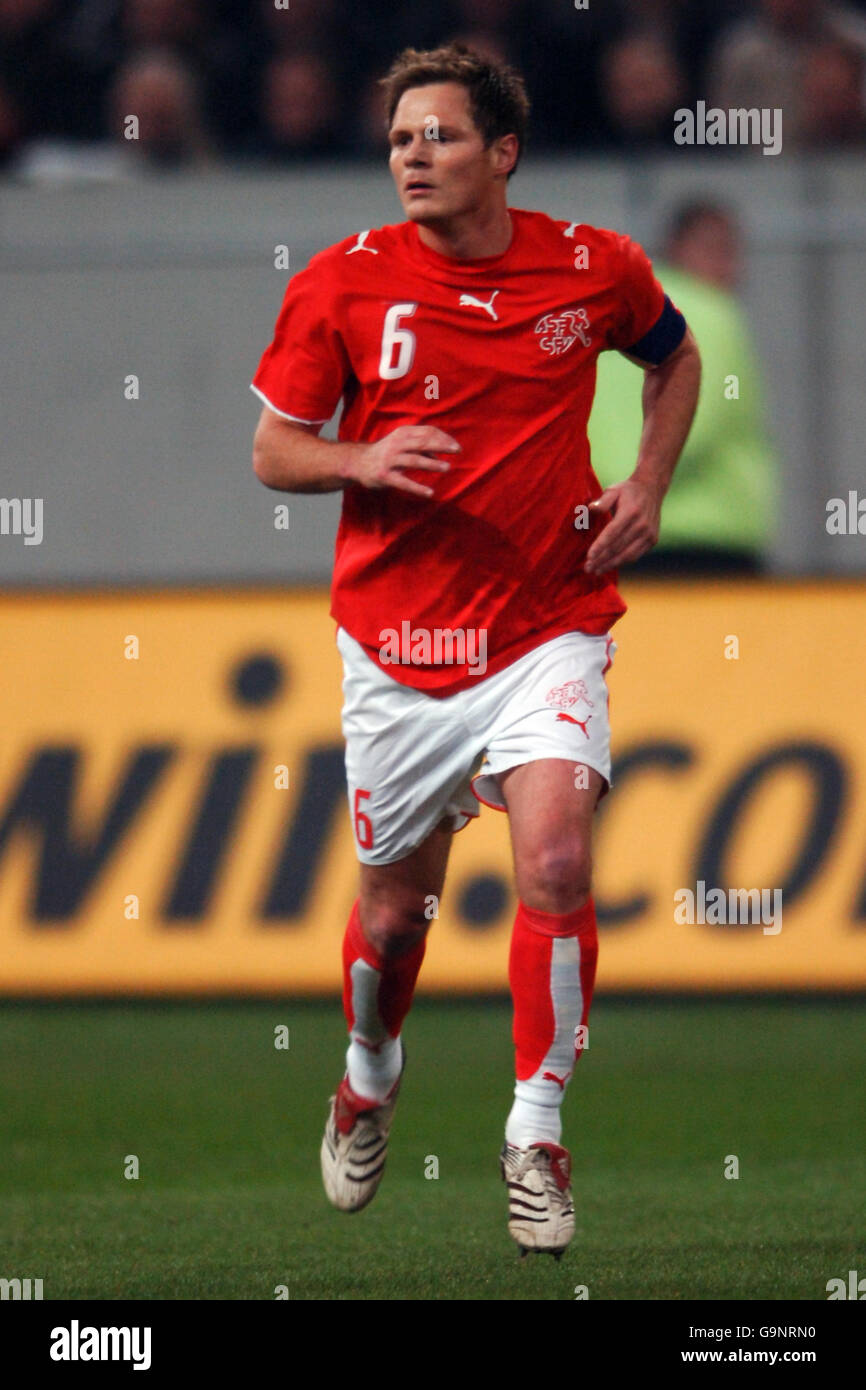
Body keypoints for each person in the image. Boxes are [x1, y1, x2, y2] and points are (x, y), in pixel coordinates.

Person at [250, 42, 700, 1258]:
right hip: (396, 647)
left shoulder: (591, 267)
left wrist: (647, 481)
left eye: (438, 136)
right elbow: (273, 448)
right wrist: (357, 460)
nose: (412, 155)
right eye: (400, 138)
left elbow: (672, 359)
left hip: (547, 621)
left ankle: (535, 1131)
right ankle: (365, 1072)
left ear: (501, 153)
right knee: (396, 919)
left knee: (554, 858)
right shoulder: (342, 285)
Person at [589, 200, 777, 576]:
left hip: (608, 528)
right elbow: (701, 418)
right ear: (677, 247)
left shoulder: (612, 308)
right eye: (718, 250)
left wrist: (610, 493)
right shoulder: (713, 312)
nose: (732, 268)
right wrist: (645, 482)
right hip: (706, 536)